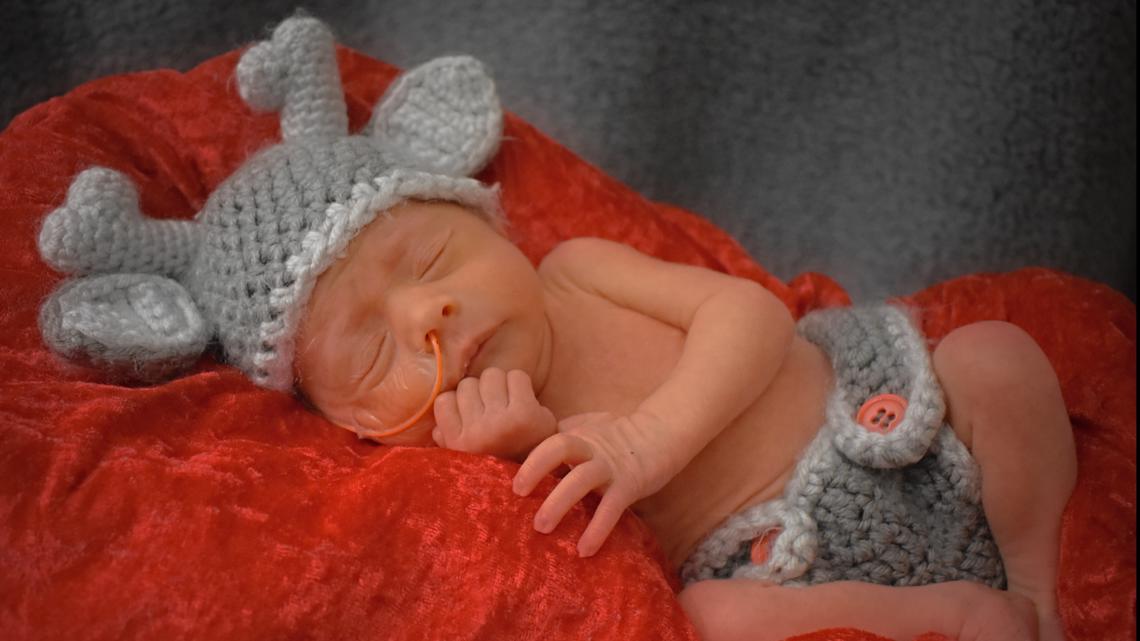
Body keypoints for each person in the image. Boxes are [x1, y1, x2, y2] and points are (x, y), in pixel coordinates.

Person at [37, 16, 1076, 641]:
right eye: (370, 349)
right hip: (774, 561)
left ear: (486, 224)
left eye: (431, 261)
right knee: (708, 622)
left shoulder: (576, 271)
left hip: (874, 412)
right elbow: (584, 544)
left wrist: (645, 437)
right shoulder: (462, 446)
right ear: (343, 419)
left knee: (997, 355)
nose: (428, 312)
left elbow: (751, 316)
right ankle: (937, 614)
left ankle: (1037, 577)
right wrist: (527, 446)